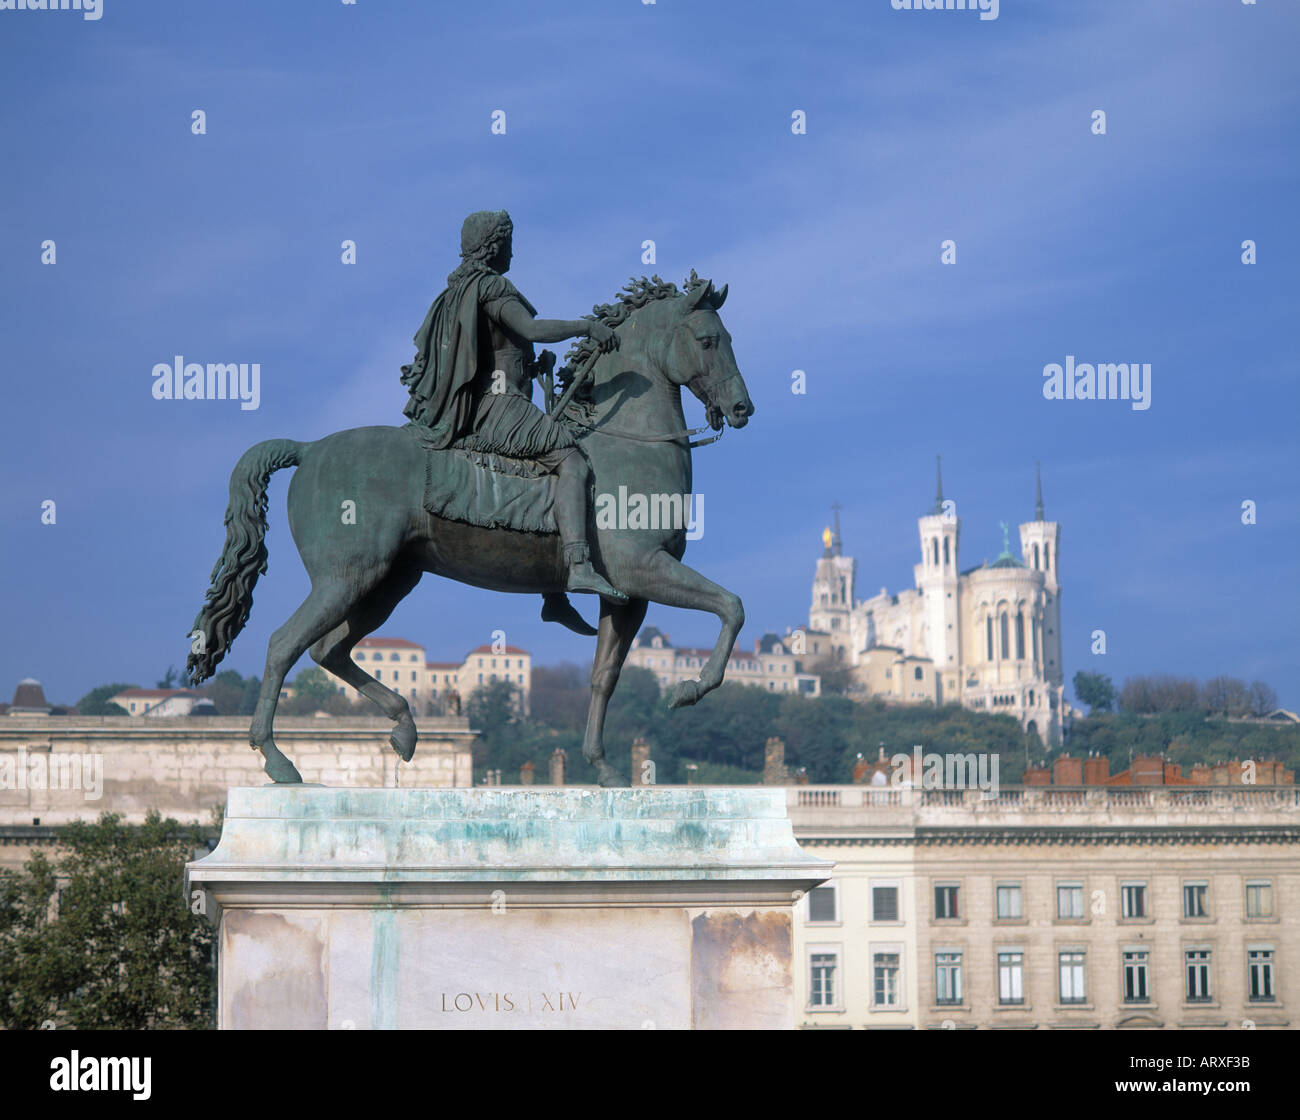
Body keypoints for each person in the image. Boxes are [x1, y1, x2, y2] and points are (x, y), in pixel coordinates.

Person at [400, 210, 626, 625]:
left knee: (540, 472)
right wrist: (586, 327)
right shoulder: (490, 286)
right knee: (572, 461)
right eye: (508, 240)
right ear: (494, 244)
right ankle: (577, 565)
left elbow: (495, 353)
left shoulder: (458, 291)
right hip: (498, 405)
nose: (512, 249)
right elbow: (533, 328)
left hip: (496, 398)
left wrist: (532, 369)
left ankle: (552, 595)